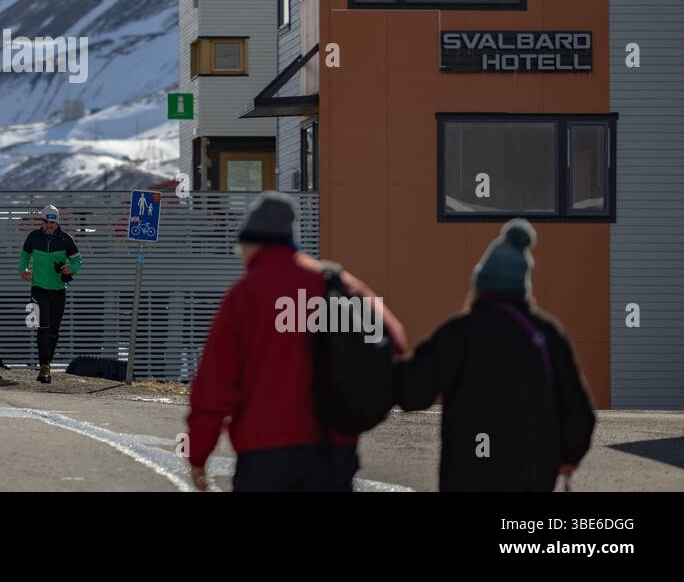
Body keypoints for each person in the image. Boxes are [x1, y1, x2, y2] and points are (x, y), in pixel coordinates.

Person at [186, 192, 407, 492]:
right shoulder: (335, 283)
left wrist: (198, 454)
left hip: (264, 454)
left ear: (253, 244)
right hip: (332, 449)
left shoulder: (245, 296)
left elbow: (214, 385)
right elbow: (393, 343)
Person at [394, 219, 595, 492]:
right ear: (522, 288)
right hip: (531, 477)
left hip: (467, 475)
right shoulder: (548, 334)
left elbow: (413, 391)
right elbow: (579, 413)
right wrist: (569, 456)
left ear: (481, 284)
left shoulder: (459, 332)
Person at [19, 204, 82, 384]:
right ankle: (44, 366)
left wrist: (72, 269)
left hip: (59, 289)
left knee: (54, 329)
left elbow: (78, 260)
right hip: (38, 288)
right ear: (42, 221)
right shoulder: (33, 237)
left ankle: (47, 363)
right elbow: (24, 256)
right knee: (43, 327)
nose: (49, 226)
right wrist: (23, 269)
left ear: (57, 222)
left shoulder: (65, 239)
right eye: (47, 222)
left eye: (53, 223)